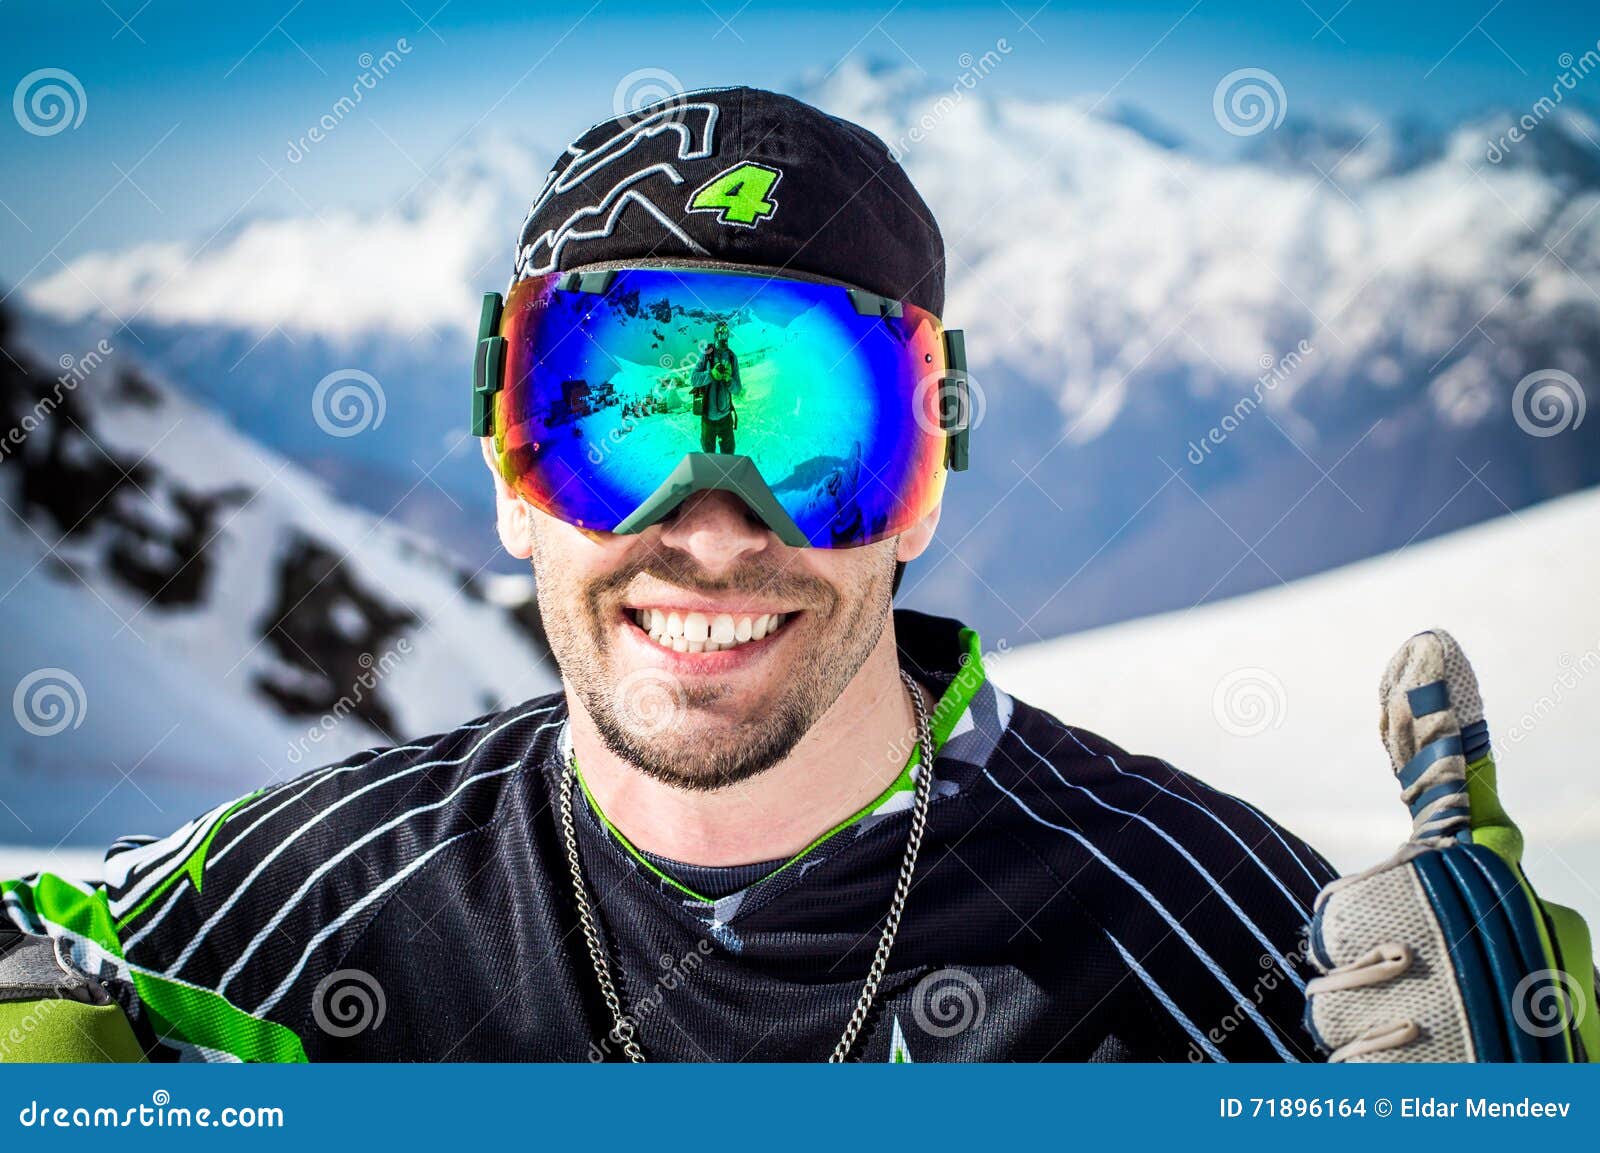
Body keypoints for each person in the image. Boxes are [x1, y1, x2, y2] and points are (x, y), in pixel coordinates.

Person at [2, 86, 1591, 1065]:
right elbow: (40, 937)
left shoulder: (1235, 942)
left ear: (923, 484)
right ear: (508, 478)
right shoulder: (328, 892)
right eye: (619, 424)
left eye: (815, 429)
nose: (712, 523)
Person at [692, 320, 740, 453]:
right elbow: (693, 379)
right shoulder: (706, 354)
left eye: (725, 333)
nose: (723, 336)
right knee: (709, 456)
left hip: (726, 418)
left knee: (728, 455)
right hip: (708, 419)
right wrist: (711, 374)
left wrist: (729, 381)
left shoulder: (732, 357)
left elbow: (737, 389)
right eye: (720, 333)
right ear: (715, 335)